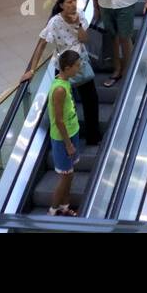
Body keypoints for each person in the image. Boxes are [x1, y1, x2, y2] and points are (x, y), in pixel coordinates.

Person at [22, 0, 100, 148]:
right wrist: (32, 70)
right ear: (61, 5)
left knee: (91, 101)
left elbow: (84, 39)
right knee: (63, 106)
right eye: (69, 2)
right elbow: (41, 45)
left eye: (75, 1)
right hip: (64, 68)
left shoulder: (81, 15)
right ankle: (67, 140)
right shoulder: (55, 22)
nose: (73, 5)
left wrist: (78, 24)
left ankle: (93, 137)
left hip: (80, 64)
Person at [45, 49, 82, 216]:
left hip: (72, 132)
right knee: (65, 177)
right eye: (76, 66)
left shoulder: (65, 82)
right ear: (67, 68)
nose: (79, 69)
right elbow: (58, 120)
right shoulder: (59, 89)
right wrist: (68, 145)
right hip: (63, 139)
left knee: (70, 174)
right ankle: (52, 211)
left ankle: (65, 206)